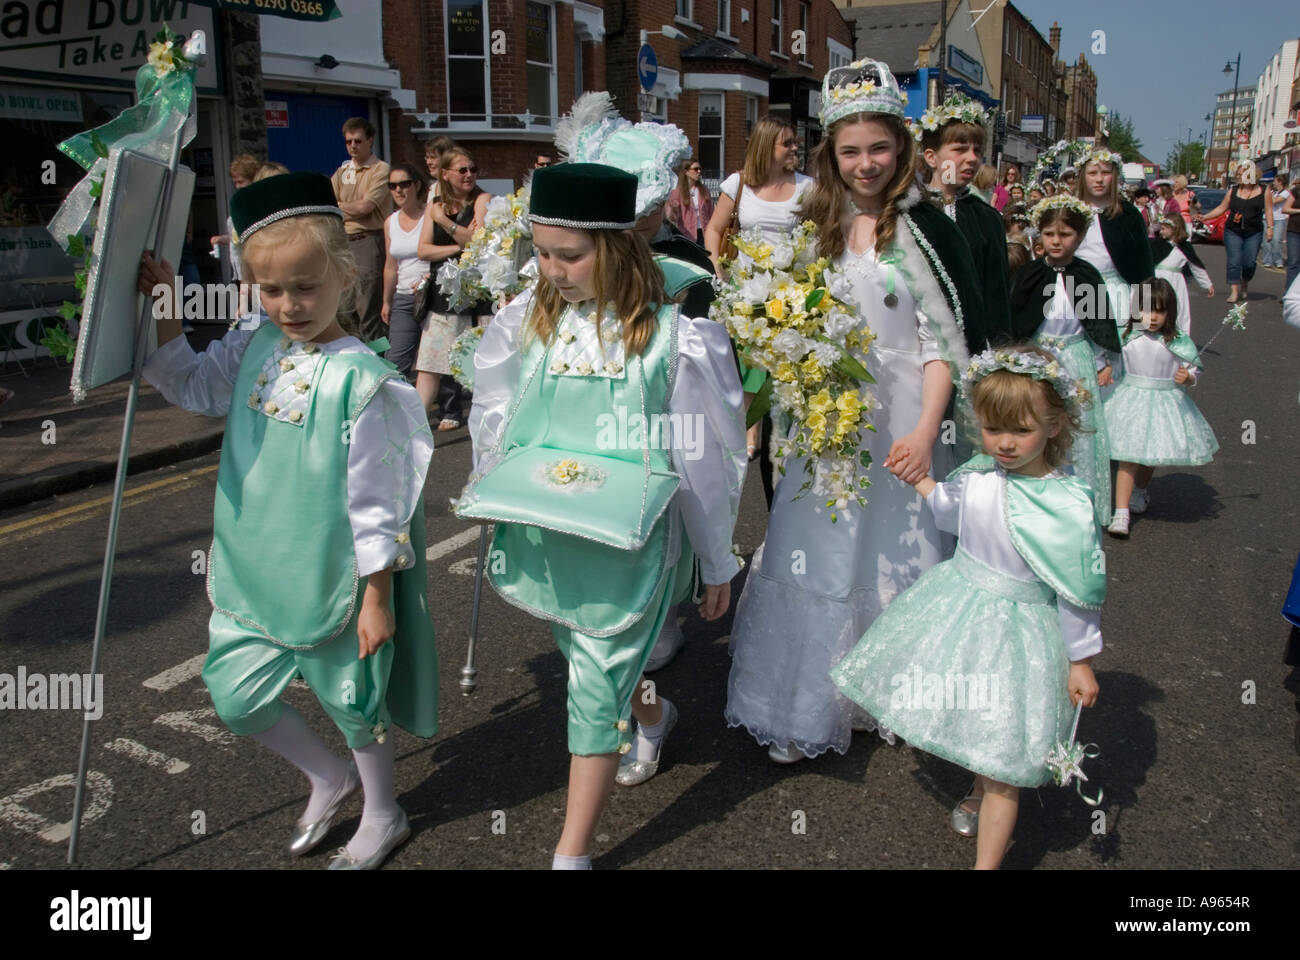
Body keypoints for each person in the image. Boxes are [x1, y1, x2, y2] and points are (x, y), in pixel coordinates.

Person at [136, 172, 438, 870]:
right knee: (234, 694)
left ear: (342, 276)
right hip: (252, 564)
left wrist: (377, 595)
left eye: (306, 286)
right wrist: (163, 307)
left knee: (354, 701)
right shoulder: (254, 344)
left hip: (330, 573)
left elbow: (381, 501)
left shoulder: (365, 380)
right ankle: (325, 778)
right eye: (272, 290)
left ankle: (384, 809)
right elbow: (193, 384)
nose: (290, 304)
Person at [459, 163, 745, 867]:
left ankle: (571, 852)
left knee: (592, 684)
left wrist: (716, 559)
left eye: (570, 255)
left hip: (634, 539)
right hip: (556, 526)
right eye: (543, 252)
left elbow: (707, 460)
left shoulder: (674, 341)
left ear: (616, 248)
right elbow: (495, 403)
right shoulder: (531, 320)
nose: (552, 270)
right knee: (586, 653)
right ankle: (654, 711)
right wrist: (493, 480)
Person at [725, 58, 986, 764]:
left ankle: (889, 696)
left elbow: (942, 343)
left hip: (903, 416)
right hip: (825, 414)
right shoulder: (817, 221)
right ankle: (804, 700)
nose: (865, 164)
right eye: (850, 151)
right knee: (817, 546)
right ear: (830, 154)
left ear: (901, 148)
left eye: (879, 148)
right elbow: (789, 314)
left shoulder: (924, 229)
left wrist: (928, 431)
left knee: (895, 549)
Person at [830, 344, 1104, 869]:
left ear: (1054, 425)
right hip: (962, 612)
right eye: (991, 428)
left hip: (1023, 634)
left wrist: (1081, 659)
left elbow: (1078, 587)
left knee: (1005, 751)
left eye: (1020, 431)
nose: (1003, 443)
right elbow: (953, 513)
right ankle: (979, 793)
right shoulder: (980, 478)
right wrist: (921, 480)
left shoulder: (1066, 505)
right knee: (982, 722)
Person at [550, 91, 716, 674]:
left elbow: (694, 379)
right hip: (579, 451)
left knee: (646, 573)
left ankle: (640, 697)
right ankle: (639, 709)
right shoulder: (560, 279)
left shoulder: (682, 266)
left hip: (648, 442)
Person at [704, 116, 813, 469]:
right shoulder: (738, 184)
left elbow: (820, 237)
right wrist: (716, 269)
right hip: (743, 287)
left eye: (795, 142)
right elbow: (714, 228)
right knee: (746, 362)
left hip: (788, 290)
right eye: (787, 143)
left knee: (780, 364)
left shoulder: (807, 187)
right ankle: (749, 432)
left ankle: (779, 432)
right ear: (767, 146)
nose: (795, 148)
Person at [1007, 195, 1120, 525]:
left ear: (1080, 236)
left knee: (1074, 428)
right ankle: (1031, 497)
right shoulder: (1029, 274)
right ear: (1039, 235)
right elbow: (1017, 320)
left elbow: (1098, 324)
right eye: (1049, 234)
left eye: (1065, 234)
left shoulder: (1087, 275)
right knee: (1035, 423)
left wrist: (1102, 362)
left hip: (1074, 358)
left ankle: (1075, 502)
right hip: (1036, 358)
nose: (1056, 241)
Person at [1105, 277, 1218, 538]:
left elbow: (1192, 368)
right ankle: (1120, 512)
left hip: (1164, 400)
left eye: (1159, 311)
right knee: (1128, 456)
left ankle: (1140, 490)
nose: (1153, 317)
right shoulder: (1126, 335)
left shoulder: (1177, 341)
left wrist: (1188, 377)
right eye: (1146, 309)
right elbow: (1113, 359)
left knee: (1151, 453)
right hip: (1130, 399)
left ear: (1170, 313)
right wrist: (1107, 369)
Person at [917, 93, 1011, 346]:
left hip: (969, 345)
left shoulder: (987, 219)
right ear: (931, 157)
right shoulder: (911, 210)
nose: (972, 158)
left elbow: (996, 296)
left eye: (977, 151)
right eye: (959, 149)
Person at [416, 144, 491, 430]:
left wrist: (443, 222)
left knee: (482, 364)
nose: (469, 174)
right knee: (429, 365)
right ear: (445, 174)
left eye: (473, 169)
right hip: (443, 297)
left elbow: (479, 243)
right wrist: (458, 243)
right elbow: (422, 250)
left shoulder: (482, 200)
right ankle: (414, 427)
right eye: (462, 170)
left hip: (477, 296)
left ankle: (489, 428)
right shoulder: (433, 206)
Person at [1073, 149, 1155, 334]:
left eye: (1106, 173)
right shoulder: (1070, 211)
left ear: (1115, 176)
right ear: (1082, 177)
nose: (1099, 179)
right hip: (1077, 287)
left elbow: (1143, 263)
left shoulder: (1127, 214)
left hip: (1115, 292)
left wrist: (1146, 308)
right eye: (1093, 173)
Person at [331, 118, 392, 344]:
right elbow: (328, 203)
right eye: (348, 142)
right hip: (344, 242)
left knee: (368, 309)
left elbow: (366, 208)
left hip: (368, 240)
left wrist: (339, 207)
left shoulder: (381, 169)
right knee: (345, 308)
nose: (353, 146)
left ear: (370, 140)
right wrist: (347, 208)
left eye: (358, 141)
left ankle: (380, 362)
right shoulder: (344, 170)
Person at [381, 163, 430, 380]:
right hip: (404, 297)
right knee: (396, 362)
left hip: (432, 295)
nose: (398, 190)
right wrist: (386, 301)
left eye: (404, 184)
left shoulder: (431, 215)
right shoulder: (390, 222)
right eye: (393, 186)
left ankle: (451, 411)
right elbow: (391, 266)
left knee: (437, 362)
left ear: (416, 185)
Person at [1195, 161, 1270, 303]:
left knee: (1249, 262)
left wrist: (1271, 228)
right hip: (1233, 231)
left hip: (1254, 231)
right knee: (1234, 260)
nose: (1239, 177)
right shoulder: (1233, 190)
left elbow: (1269, 210)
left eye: (1242, 174)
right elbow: (1221, 208)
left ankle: (1245, 282)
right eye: (1238, 174)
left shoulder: (1264, 191)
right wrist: (1205, 216)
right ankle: (1234, 292)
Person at [1150, 213, 1213, 336]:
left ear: (1174, 229)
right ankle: (1152, 332)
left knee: (1178, 307)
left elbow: (1196, 266)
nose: (1161, 232)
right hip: (1157, 278)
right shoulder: (1157, 244)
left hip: (1175, 281)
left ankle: (1179, 334)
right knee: (1155, 305)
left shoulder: (1184, 247)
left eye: (1163, 229)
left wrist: (1207, 284)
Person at [209, 154, 260, 281]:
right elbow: (238, 238)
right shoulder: (242, 203)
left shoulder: (258, 204)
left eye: (241, 182)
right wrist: (223, 239)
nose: (237, 186)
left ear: (253, 179)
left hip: (255, 268)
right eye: (235, 182)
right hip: (242, 270)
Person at [665, 158, 715, 247]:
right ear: (686, 172)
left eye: (700, 169)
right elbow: (672, 217)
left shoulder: (704, 190)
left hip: (704, 233)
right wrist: (673, 207)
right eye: (695, 169)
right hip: (687, 234)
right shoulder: (677, 191)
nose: (699, 171)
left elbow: (711, 213)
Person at [1263, 176, 1291, 269]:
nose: (1273, 183)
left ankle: (1278, 260)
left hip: (1279, 219)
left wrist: (1268, 193)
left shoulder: (1286, 193)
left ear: (1280, 182)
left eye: (1275, 181)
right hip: (1266, 218)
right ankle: (1267, 260)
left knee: (1276, 240)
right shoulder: (1271, 191)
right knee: (1267, 241)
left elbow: (1273, 201)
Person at [1281, 176, 1300, 291]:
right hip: (1294, 231)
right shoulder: (1297, 190)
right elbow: (1285, 209)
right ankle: (1288, 293)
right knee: (1293, 263)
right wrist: (1298, 211)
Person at [423, 135, 453, 206]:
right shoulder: (432, 189)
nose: (428, 162)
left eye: (433, 157)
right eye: (427, 157)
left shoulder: (458, 187)